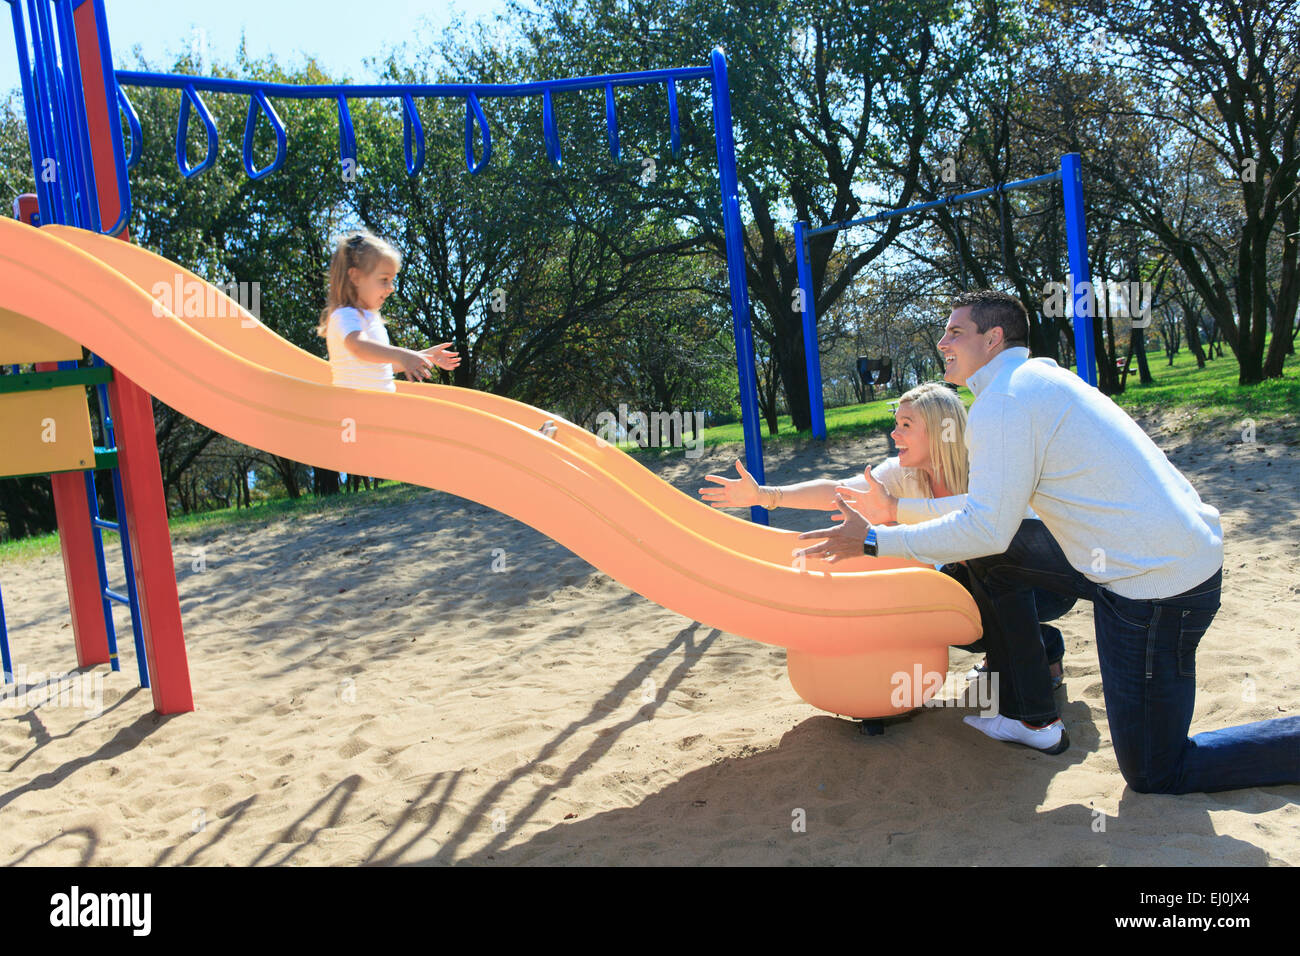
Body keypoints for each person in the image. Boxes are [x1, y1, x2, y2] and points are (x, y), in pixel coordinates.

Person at [795, 289, 1300, 793]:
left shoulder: (1003, 403)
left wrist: (875, 542)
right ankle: (1032, 716)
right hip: (1153, 554)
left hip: (1157, 586)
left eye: (956, 332)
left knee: (1156, 772)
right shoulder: (1038, 379)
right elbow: (995, 515)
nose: (943, 342)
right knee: (992, 561)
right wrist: (898, 512)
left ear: (993, 338)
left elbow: (986, 527)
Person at [699, 381, 1072, 688]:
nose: (894, 434)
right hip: (985, 586)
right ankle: (1030, 643)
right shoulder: (902, 474)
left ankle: (1028, 651)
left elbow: (983, 515)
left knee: (975, 582)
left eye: (906, 425)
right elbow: (839, 491)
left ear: (939, 430)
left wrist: (896, 511)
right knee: (947, 613)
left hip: (1044, 583)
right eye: (896, 424)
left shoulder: (984, 464)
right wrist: (766, 495)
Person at [318, 230, 558, 436]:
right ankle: (522, 440)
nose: (391, 288)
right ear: (356, 277)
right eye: (384, 280)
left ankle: (521, 437)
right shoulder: (345, 316)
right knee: (448, 419)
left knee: (453, 417)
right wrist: (403, 355)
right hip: (361, 416)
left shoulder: (368, 318)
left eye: (392, 280)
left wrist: (424, 356)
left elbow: (378, 364)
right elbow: (358, 347)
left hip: (378, 413)